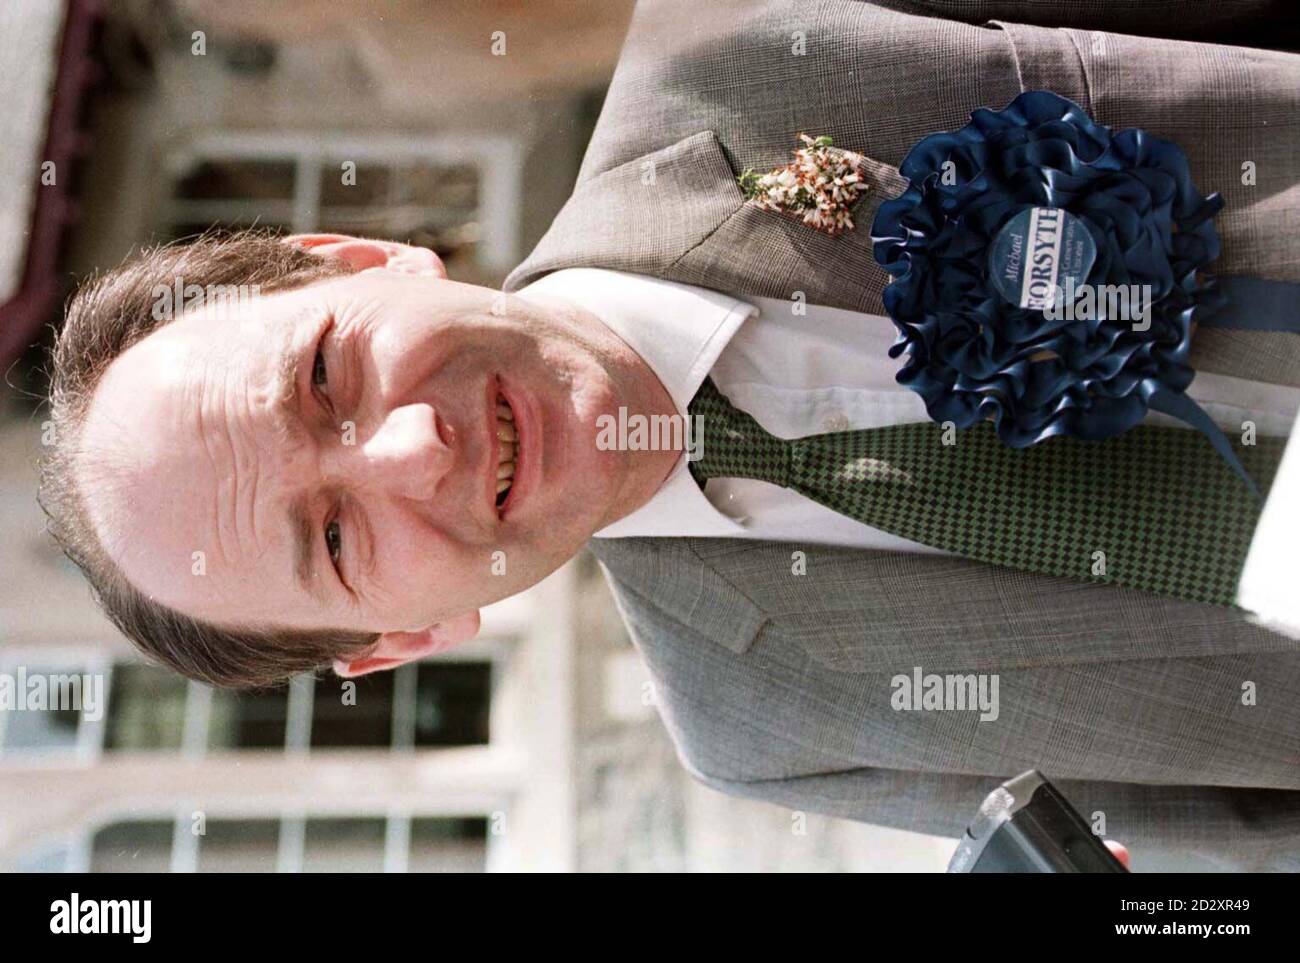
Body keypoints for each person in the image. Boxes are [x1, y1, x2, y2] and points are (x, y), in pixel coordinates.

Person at [40, 0, 1300, 869]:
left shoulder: (747, 43)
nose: (412, 452)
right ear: (401, 640)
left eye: (324, 379)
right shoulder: (763, 732)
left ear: (360, 257)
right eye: (332, 535)